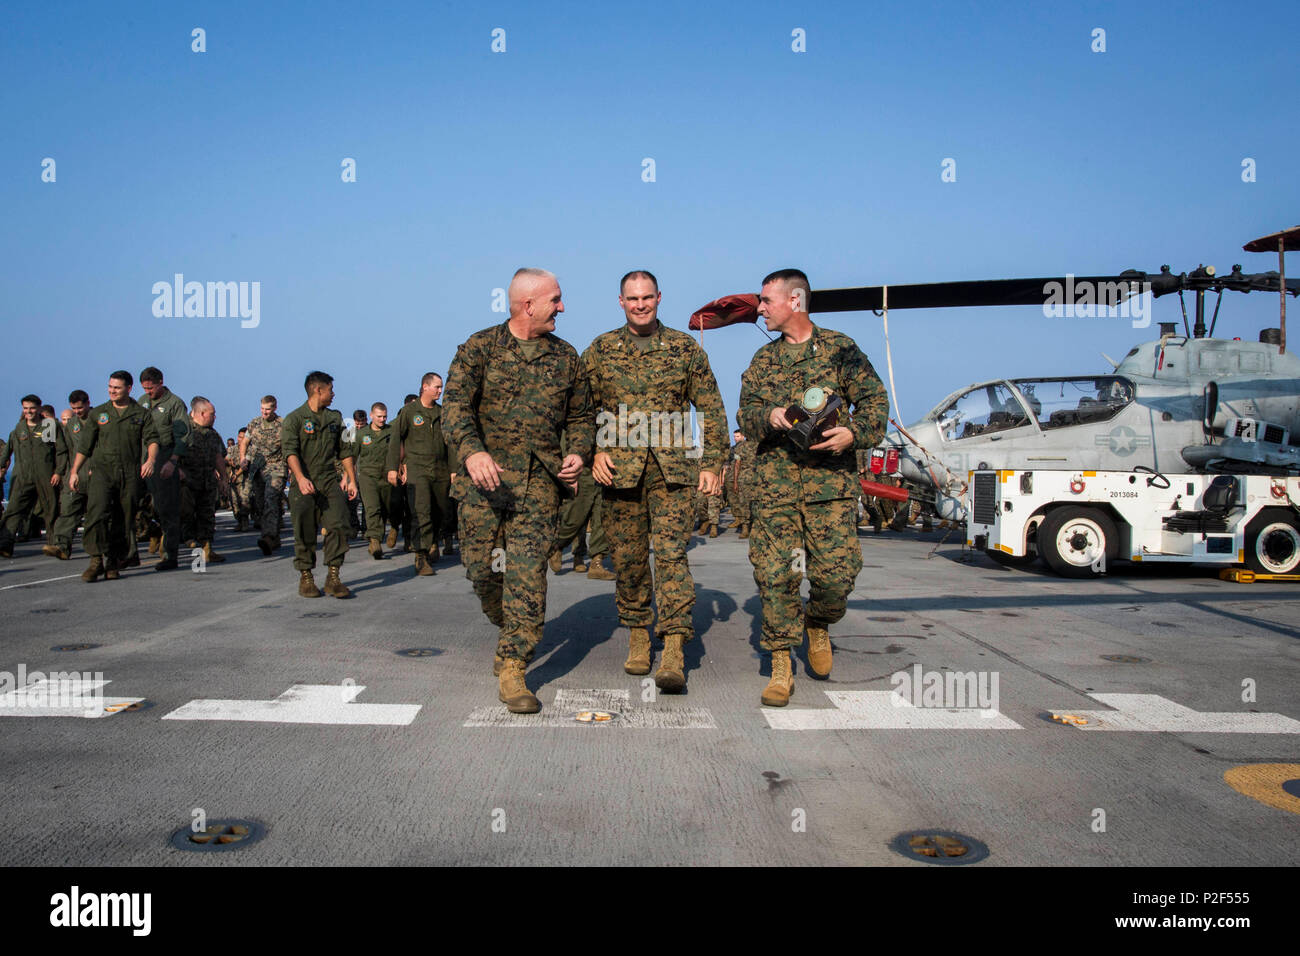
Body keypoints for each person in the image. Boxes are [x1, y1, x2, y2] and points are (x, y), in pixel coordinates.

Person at [443, 268, 592, 714]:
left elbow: (582, 418)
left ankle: (513, 664)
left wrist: (579, 452)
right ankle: (510, 628)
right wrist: (471, 452)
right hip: (483, 487)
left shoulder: (566, 357)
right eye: (556, 299)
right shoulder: (479, 348)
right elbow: (454, 408)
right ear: (528, 305)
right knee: (481, 571)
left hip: (540, 486)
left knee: (527, 576)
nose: (562, 307)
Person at [738, 269, 888, 705]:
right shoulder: (763, 361)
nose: (760, 308)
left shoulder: (840, 350)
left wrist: (853, 434)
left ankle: (818, 623)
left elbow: (875, 402)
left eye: (767, 300)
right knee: (776, 575)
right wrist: (767, 416)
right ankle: (781, 664)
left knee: (836, 578)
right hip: (775, 488)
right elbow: (744, 413)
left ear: (795, 302)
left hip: (830, 487)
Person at [586, 270, 728, 689]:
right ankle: (636, 634)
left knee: (670, 557)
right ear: (621, 301)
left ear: (659, 298)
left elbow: (711, 407)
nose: (641, 304)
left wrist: (713, 462)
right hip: (619, 474)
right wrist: (593, 451)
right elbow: (580, 408)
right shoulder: (601, 350)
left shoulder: (684, 349)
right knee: (628, 560)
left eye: (647, 297)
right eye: (633, 298)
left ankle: (673, 647)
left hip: (673, 473)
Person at [69, 371, 162, 581]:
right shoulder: (99, 414)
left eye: (117, 388)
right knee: (96, 514)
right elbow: (84, 446)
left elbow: (152, 440)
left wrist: (151, 460)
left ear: (129, 389)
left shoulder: (141, 414)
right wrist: (74, 471)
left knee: (124, 519)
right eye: (110, 387)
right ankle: (95, 561)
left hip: (129, 473)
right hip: (102, 472)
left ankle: (112, 562)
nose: (112, 391)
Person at [282, 372, 358, 598]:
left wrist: (351, 478)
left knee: (338, 525)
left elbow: (345, 451)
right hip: (304, 483)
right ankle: (306, 578)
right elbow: (290, 451)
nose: (333, 394)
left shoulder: (336, 418)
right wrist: (301, 477)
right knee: (304, 532)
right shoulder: (294, 419)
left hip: (329, 481)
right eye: (330, 390)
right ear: (318, 390)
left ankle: (333, 577)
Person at [387, 374, 453, 575]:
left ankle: (433, 541)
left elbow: (451, 444)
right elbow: (396, 440)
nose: (440, 391)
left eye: (441, 387)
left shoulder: (443, 413)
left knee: (440, 511)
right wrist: (393, 467)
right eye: (437, 387)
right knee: (421, 510)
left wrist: (454, 470)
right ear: (425, 387)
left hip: (440, 469)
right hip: (417, 468)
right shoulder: (409, 412)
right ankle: (421, 556)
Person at [138, 367, 190, 571]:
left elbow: (183, 436)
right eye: (145, 388)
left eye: (151, 388)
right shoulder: (141, 402)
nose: (148, 392)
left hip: (164, 458)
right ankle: (147, 537)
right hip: (142, 458)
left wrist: (173, 461)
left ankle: (170, 555)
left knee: (167, 508)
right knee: (139, 505)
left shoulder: (174, 404)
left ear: (160, 382)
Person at [0, 394, 63, 558]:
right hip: (23, 476)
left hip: (46, 475)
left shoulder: (48, 426)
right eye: (26, 408)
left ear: (39, 408)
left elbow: (60, 451)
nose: (29, 411)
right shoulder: (19, 428)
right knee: (13, 509)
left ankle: (54, 544)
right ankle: (5, 545)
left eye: (32, 408)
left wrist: (58, 472)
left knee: (51, 509)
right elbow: (7, 453)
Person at [179, 396, 230, 563]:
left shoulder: (213, 434)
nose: (215, 417)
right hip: (187, 482)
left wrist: (223, 478)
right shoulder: (184, 430)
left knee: (207, 516)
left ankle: (207, 550)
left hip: (207, 482)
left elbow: (218, 457)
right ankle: (173, 546)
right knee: (186, 514)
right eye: (212, 414)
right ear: (201, 413)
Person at [45, 390, 92, 559]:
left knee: (98, 515)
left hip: (96, 473)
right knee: (68, 510)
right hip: (76, 474)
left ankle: (100, 550)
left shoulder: (99, 419)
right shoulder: (71, 424)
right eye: (74, 408)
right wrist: (66, 472)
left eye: (80, 408)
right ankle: (62, 546)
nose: (78, 411)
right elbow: (67, 450)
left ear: (88, 403)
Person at [239, 396, 287, 555]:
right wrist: (242, 458)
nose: (264, 412)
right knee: (260, 503)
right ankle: (275, 534)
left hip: (276, 466)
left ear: (274, 408)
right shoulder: (254, 423)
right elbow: (245, 442)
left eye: (268, 409)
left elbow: (290, 446)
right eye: (262, 409)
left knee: (270, 498)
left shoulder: (283, 424)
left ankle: (269, 537)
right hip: (258, 468)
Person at [354, 402, 394, 558]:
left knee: (385, 509)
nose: (382, 419)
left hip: (387, 477)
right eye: (379, 416)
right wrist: (349, 479)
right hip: (367, 477)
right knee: (372, 508)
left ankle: (380, 534)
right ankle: (375, 541)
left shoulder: (391, 432)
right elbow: (352, 456)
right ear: (371, 416)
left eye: (385, 416)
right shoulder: (361, 434)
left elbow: (400, 451)